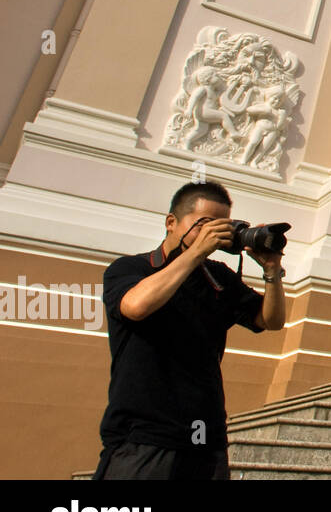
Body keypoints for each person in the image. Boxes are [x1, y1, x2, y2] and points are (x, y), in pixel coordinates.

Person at [92, 181, 287, 479]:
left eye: (223, 226)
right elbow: (135, 306)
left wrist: (272, 271)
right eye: (205, 224)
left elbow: (269, 320)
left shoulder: (218, 277)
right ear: (171, 222)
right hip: (144, 436)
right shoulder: (132, 269)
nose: (214, 235)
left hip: (205, 437)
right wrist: (195, 253)